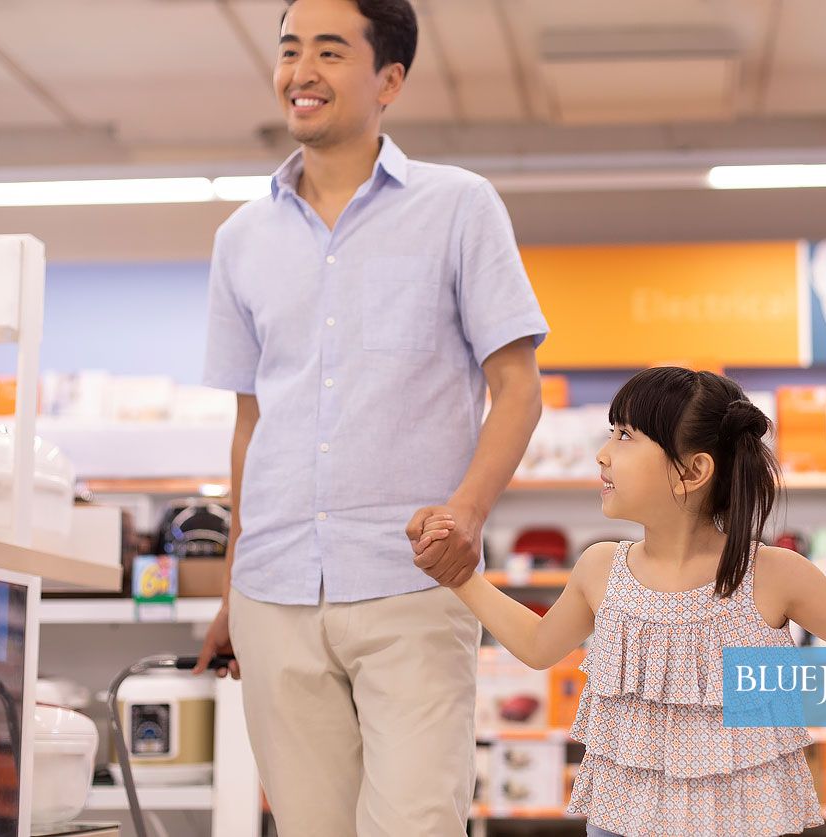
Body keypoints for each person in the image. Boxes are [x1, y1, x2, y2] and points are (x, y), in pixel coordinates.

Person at [192, 0, 549, 834]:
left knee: (414, 823)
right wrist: (231, 586)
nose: (301, 72)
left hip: (412, 583)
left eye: (329, 51)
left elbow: (518, 387)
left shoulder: (458, 207)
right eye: (288, 51)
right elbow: (252, 422)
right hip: (273, 590)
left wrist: (466, 513)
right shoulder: (239, 239)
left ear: (390, 78)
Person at [416, 368, 826, 837]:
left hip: (744, 823)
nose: (602, 453)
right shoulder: (602, 569)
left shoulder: (772, 576)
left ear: (693, 471)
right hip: (623, 821)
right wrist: (460, 575)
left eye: (624, 436)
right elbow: (536, 644)